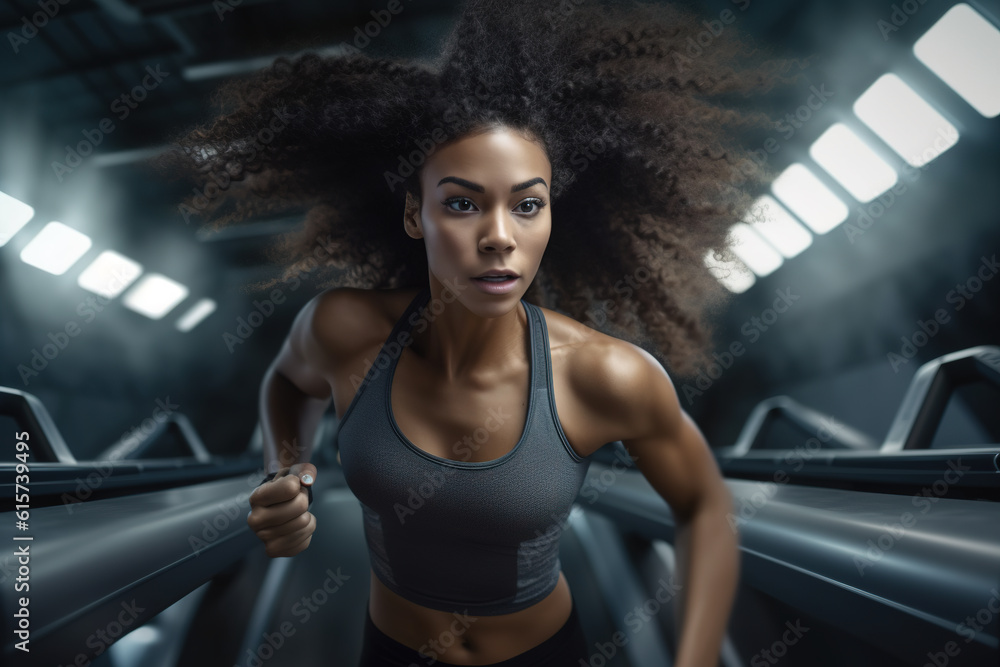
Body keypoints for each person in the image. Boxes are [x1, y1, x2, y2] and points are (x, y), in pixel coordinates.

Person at [153, 0, 801, 664]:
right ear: (415, 215)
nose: (498, 237)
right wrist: (284, 471)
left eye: (527, 205)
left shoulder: (605, 375)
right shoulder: (344, 329)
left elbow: (704, 506)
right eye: (462, 203)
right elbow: (289, 381)